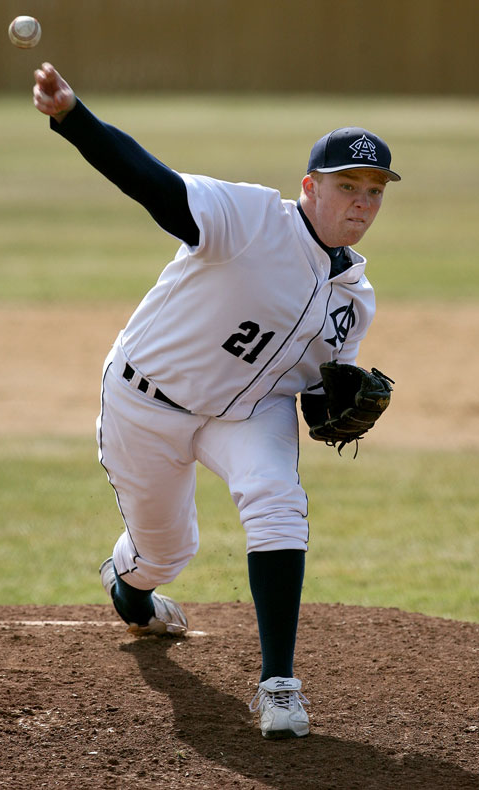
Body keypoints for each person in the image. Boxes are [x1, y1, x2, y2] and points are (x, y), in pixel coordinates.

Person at [33, 62, 400, 740]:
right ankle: (131, 588)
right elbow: (156, 186)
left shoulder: (355, 297)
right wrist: (72, 119)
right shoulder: (251, 218)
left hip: (247, 411)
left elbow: (325, 389)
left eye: (374, 191)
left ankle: (279, 686)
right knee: (166, 553)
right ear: (309, 187)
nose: (361, 202)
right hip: (147, 404)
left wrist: (335, 400)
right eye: (347, 186)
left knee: (277, 500)